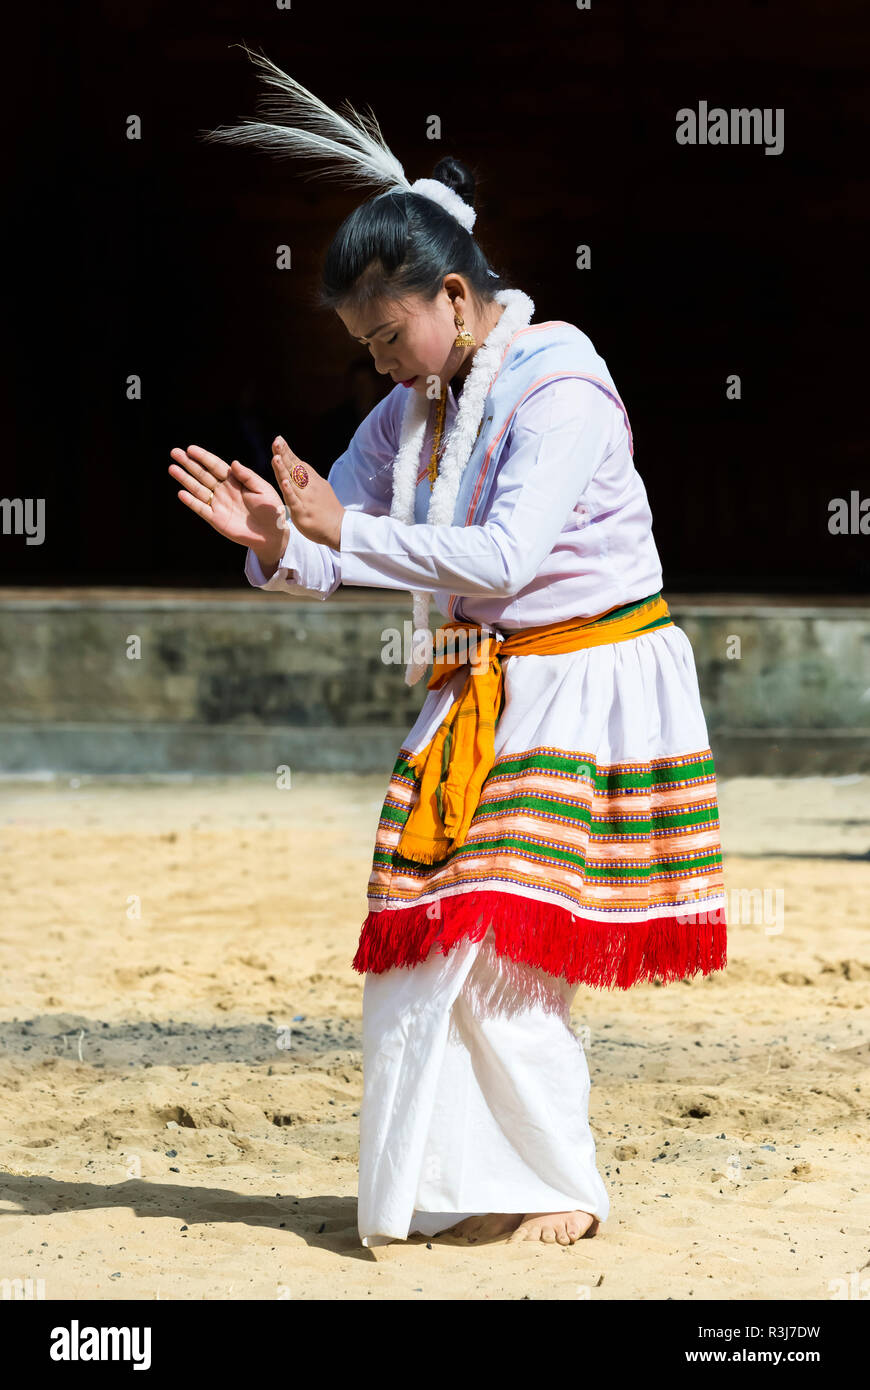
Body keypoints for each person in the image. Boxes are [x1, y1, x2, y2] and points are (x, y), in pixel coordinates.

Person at [168, 50, 728, 1249]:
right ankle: (458, 1188)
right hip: (481, 686)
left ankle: (557, 1184)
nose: (380, 356)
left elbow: (507, 557)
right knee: (425, 945)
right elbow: (337, 547)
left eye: (393, 330)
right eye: (366, 341)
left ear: (460, 297)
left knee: (499, 939)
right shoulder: (404, 411)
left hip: (586, 677)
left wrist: (344, 531)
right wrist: (277, 541)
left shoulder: (562, 381)